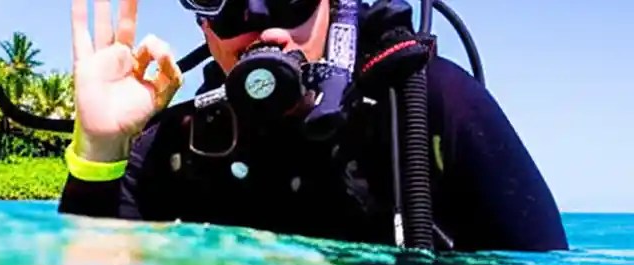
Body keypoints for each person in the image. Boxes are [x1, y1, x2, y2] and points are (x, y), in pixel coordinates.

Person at [58, 0, 570, 252]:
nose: (259, 18)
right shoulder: (179, 148)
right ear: (202, 22)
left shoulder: (428, 108)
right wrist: (99, 147)